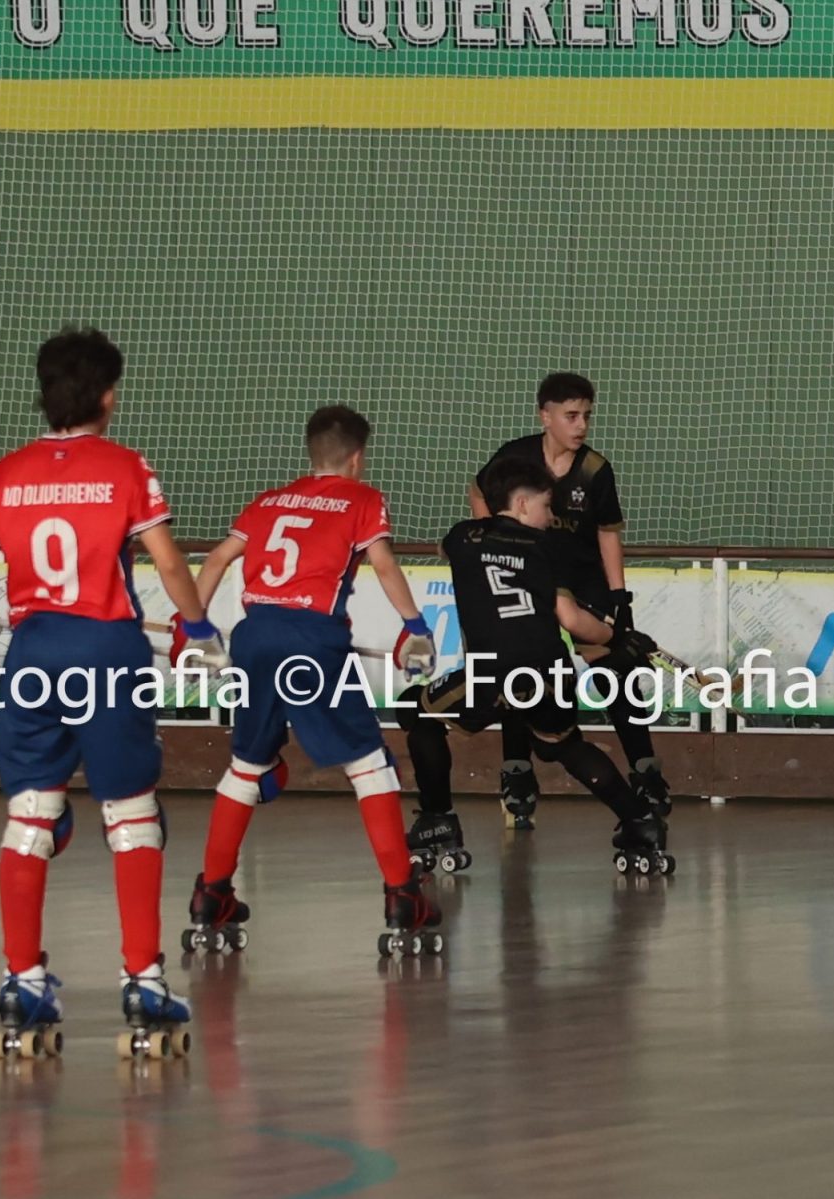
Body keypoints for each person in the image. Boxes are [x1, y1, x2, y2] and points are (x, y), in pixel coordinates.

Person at [0, 327, 222, 1059]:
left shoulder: (7, 472)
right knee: (132, 813)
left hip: (35, 653)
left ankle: (23, 981)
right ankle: (142, 980)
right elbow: (168, 565)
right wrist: (199, 630)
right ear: (109, 398)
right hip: (108, 650)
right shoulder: (127, 467)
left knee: (32, 812)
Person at [183, 405, 439, 955]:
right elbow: (385, 565)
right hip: (313, 640)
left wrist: (194, 626)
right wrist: (415, 627)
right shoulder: (362, 499)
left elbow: (213, 562)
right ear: (357, 456)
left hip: (254, 637)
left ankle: (212, 893)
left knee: (245, 766)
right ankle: (402, 896)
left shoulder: (267, 501)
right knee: (369, 763)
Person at [401, 457, 673, 879]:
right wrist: (618, 637)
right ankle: (640, 820)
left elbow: (449, 548)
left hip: (494, 671)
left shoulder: (462, 537)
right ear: (524, 504)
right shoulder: (544, 550)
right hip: (549, 671)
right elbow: (570, 619)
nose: (550, 519)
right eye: (547, 508)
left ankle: (437, 817)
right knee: (562, 745)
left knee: (416, 712)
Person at [472, 373, 668, 827]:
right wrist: (490, 539)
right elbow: (478, 490)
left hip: (581, 578)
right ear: (546, 415)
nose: (581, 426)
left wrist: (618, 597)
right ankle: (517, 770)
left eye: (586, 416)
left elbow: (607, 533)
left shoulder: (595, 470)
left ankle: (644, 769)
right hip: (526, 578)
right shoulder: (515, 457)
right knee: (522, 670)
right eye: (571, 416)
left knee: (614, 667)